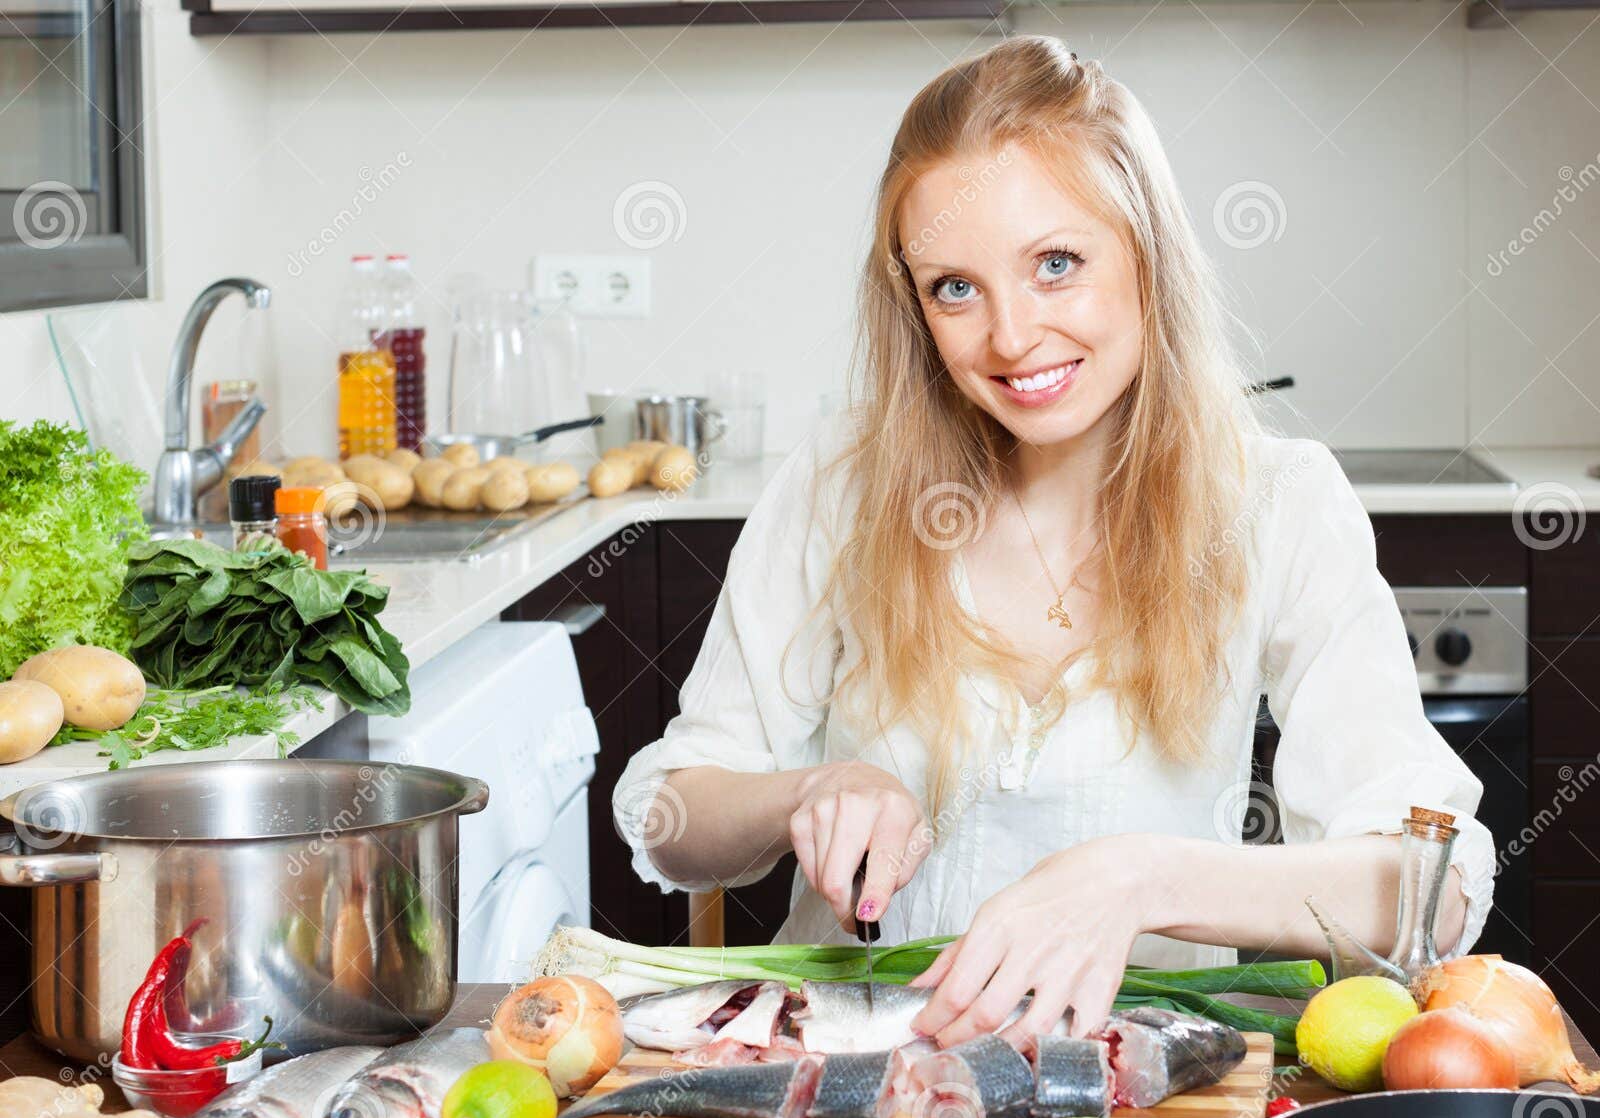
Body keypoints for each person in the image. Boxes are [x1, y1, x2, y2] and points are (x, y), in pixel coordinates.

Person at [613, 36, 1493, 1049]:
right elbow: (673, 823)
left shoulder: (1278, 506)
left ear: (1147, 254)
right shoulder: (841, 484)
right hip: (860, 1074)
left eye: (1057, 265)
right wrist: (803, 794)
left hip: (1135, 1083)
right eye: (954, 287)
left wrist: (1144, 878)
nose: (1011, 336)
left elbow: (1435, 888)